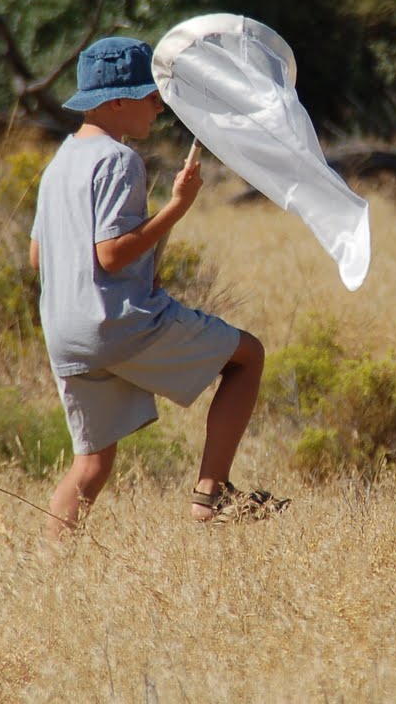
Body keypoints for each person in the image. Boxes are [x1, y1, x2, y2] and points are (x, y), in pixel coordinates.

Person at [30, 36, 284, 545]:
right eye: (151, 97)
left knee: (92, 465)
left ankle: (47, 568)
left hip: (65, 334)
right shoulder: (120, 160)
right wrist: (179, 206)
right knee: (248, 356)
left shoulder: (60, 162)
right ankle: (210, 497)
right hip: (117, 324)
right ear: (117, 102)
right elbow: (110, 254)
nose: (159, 107)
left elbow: (39, 256)